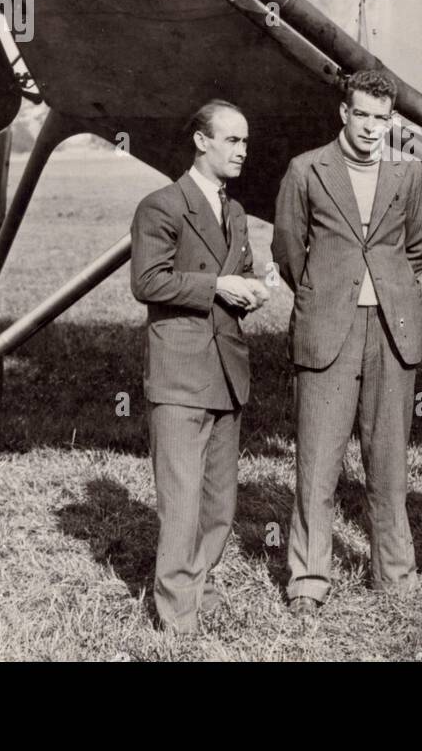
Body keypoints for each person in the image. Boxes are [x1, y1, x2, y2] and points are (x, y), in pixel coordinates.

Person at [273, 69, 422, 614]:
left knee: (388, 461)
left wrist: (382, 292)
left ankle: (395, 573)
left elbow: (417, 250)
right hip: (328, 331)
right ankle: (308, 580)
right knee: (318, 462)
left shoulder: (407, 173)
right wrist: (328, 294)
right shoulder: (306, 169)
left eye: (381, 118)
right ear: (344, 113)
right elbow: (290, 250)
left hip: (391, 330)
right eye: (361, 115)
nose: (370, 127)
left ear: (392, 121)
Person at [130, 99, 268, 634]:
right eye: (232, 140)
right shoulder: (162, 206)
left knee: (219, 500)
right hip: (180, 373)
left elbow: (243, 269)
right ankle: (176, 613)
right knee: (182, 500)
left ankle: (199, 582)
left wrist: (253, 289)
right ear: (201, 141)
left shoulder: (233, 211)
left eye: (245, 142)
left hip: (227, 369)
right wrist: (216, 286)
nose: (242, 151)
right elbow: (147, 281)